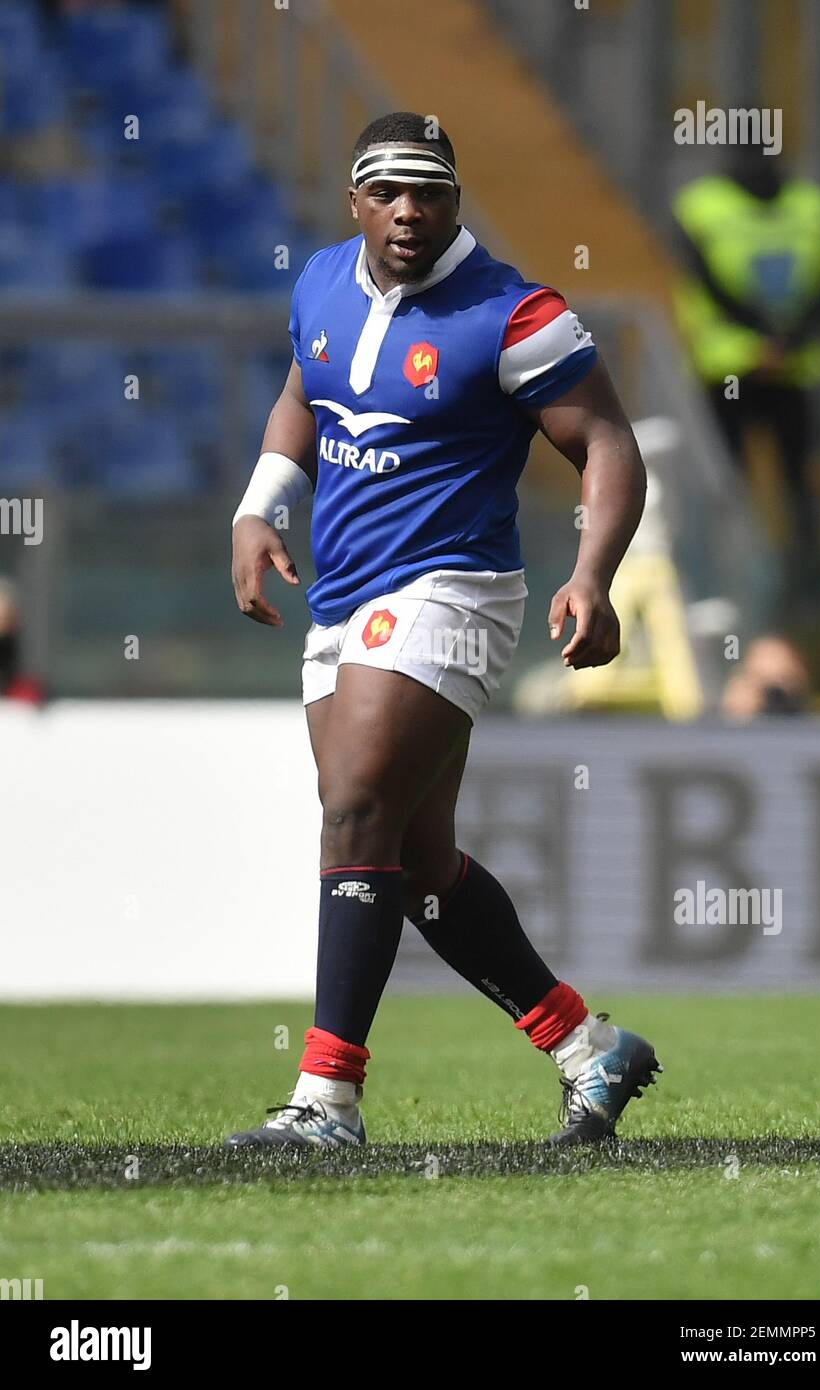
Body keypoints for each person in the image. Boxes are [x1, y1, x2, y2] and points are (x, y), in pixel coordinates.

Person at [226, 112, 659, 1149]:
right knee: (414, 862)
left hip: (452, 589)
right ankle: (584, 1046)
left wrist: (592, 574)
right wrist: (257, 506)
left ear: (456, 198)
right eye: (387, 190)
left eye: (429, 190)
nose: (409, 209)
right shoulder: (321, 282)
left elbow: (605, 443)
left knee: (355, 806)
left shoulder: (515, 314)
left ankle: (326, 1099)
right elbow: (302, 393)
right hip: (343, 598)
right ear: (354, 200)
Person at [672, 147, 820, 590]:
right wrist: (782, 338)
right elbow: (705, 280)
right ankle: (740, 575)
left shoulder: (813, 206)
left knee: (797, 477)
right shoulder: (702, 207)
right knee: (735, 478)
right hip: (737, 370)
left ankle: (803, 576)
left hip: (783, 366)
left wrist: (776, 340)